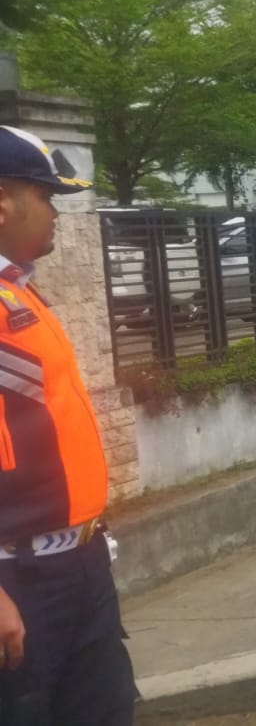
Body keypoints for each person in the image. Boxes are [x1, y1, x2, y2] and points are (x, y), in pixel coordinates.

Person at [0, 125, 137, 725]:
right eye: (46, 195)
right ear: (2, 200)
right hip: (19, 583)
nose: (56, 211)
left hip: (77, 565)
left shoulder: (19, 293)